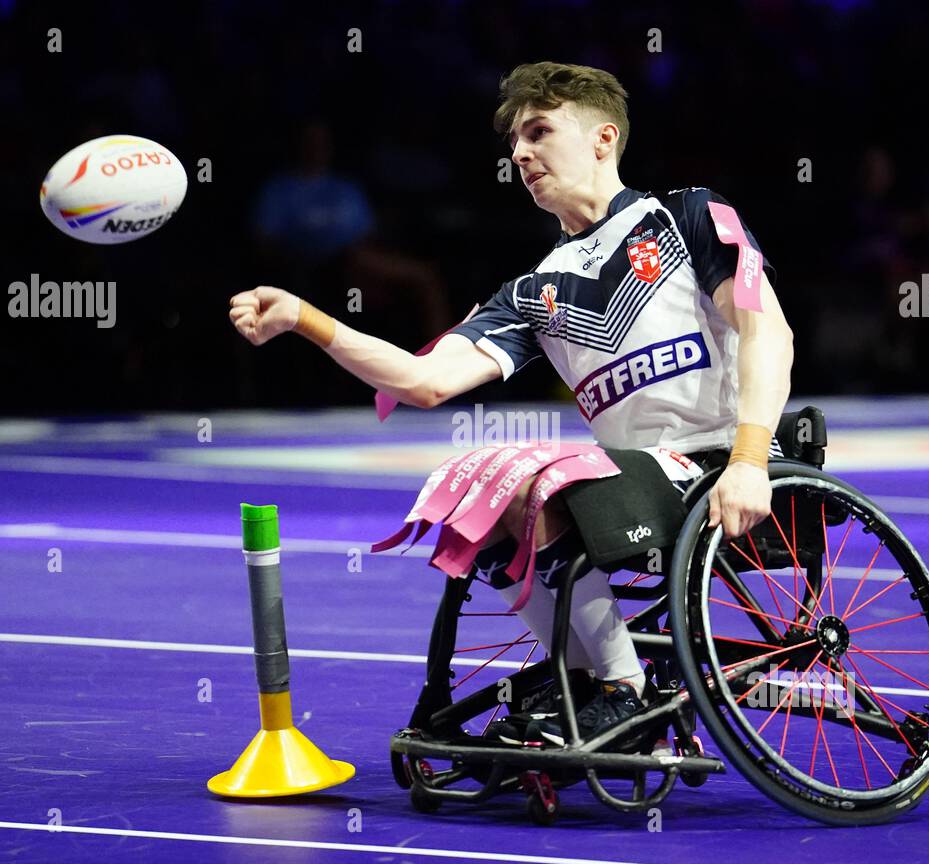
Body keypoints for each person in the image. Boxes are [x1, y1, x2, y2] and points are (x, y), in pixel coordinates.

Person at [229, 62, 794, 748]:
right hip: (637, 477)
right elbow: (420, 380)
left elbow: (770, 331)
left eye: (539, 132)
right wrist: (306, 319)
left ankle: (620, 688)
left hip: (716, 464)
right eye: (514, 143)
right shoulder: (534, 291)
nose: (520, 153)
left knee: (534, 479)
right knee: (476, 495)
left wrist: (749, 459)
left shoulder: (689, 217)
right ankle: (594, 678)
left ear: (602, 139)